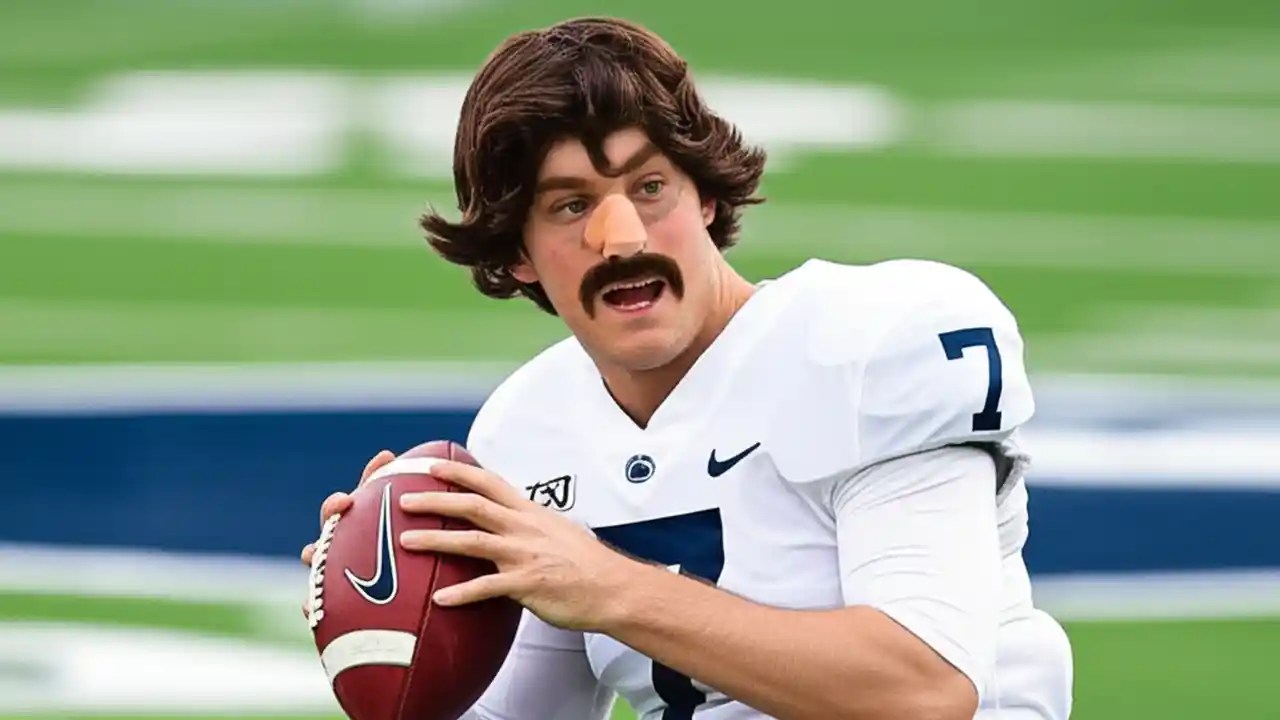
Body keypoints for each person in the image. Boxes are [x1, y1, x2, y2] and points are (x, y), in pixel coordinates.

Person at [300, 16, 1073, 720]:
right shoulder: (531, 423)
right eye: (571, 206)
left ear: (705, 195)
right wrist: (389, 633)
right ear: (515, 252)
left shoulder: (875, 342)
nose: (622, 236)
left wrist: (607, 586)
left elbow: (923, 690)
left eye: (650, 187)